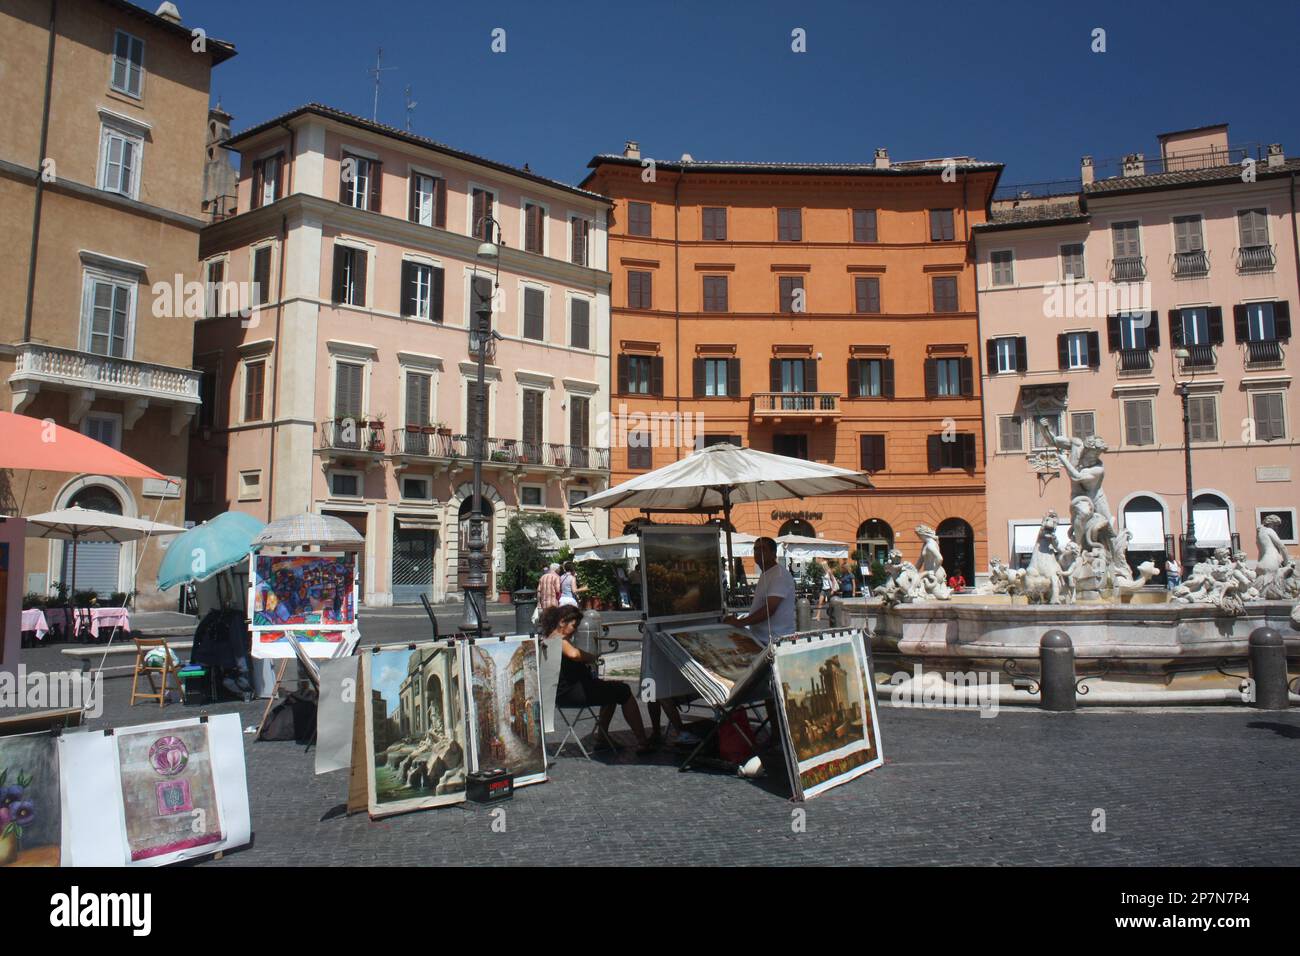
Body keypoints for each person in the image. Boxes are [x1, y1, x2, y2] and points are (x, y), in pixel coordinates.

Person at [542, 605, 653, 753]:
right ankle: (642, 741)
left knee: (613, 689)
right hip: (571, 694)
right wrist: (593, 657)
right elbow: (574, 654)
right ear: (562, 622)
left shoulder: (548, 638)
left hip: (562, 694)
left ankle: (602, 737)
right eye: (573, 626)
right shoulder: (558, 640)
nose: (574, 630)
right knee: (624, 691)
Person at [724, 537, 795, 644]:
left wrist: (741, 622)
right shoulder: (766, 573)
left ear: (773, 553)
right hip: (762, 638)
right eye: (756, 549)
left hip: (775, 641)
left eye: (762, 549)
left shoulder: (779, 575)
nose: (757, 552)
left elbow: (769, 609)